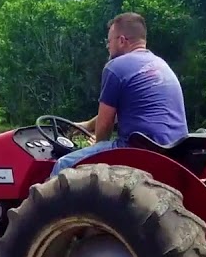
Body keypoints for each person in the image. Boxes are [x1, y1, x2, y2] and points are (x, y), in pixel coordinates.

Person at [49, 12, 189, 177]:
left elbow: (105, 127)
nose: (107, 46)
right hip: (175, 149)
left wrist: (98, 145)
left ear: (122, 40)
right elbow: (125, 111)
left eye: (109, 41)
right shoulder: (160, 64)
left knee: (63, 164)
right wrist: (87, 125)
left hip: (141, 150)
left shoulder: (116, 67)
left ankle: (46, 204)